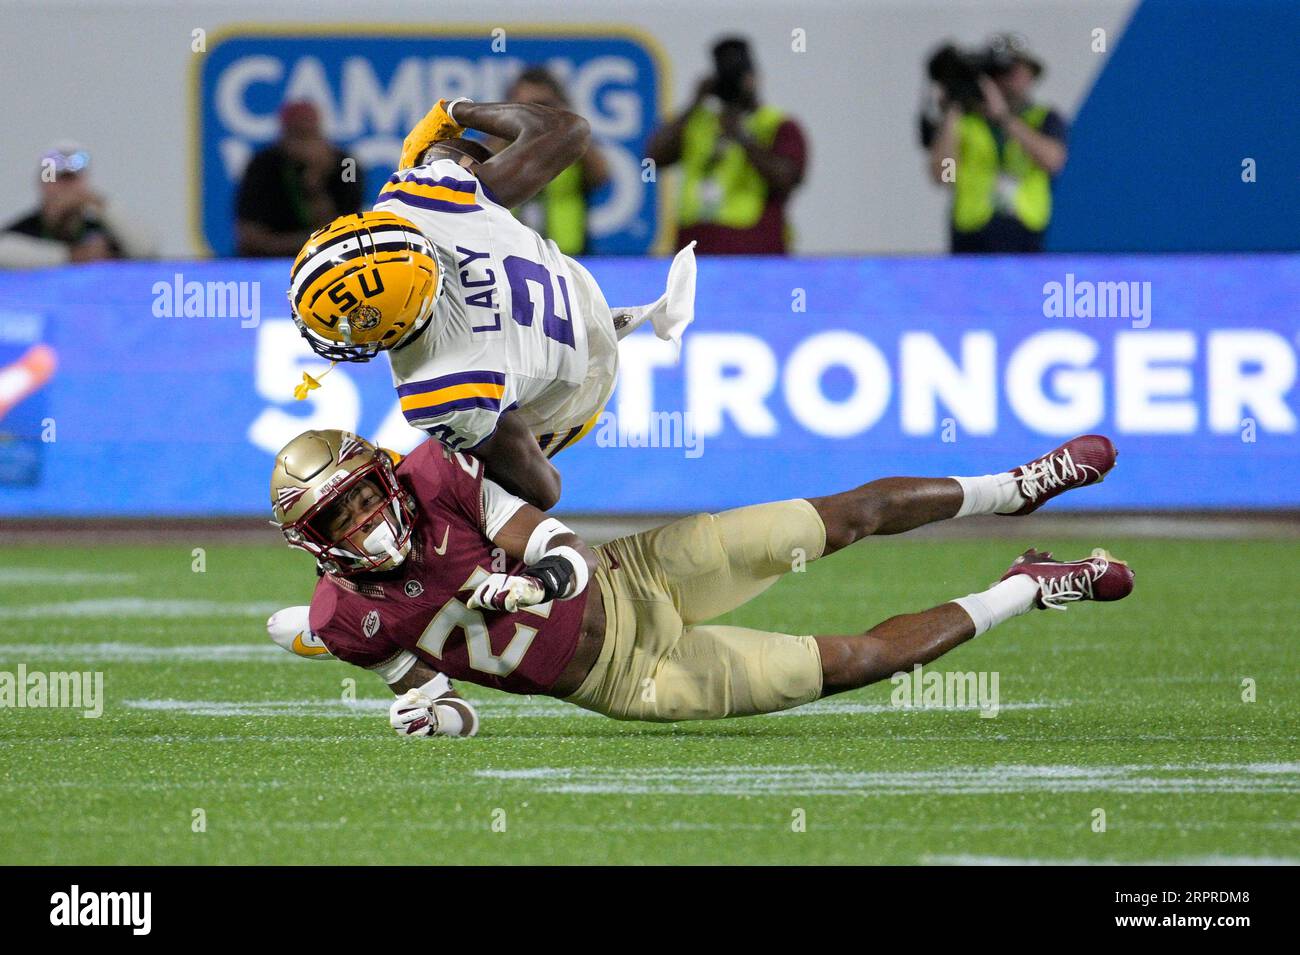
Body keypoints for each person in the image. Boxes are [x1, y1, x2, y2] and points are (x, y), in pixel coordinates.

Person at [266, 430, 1132, 737]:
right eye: (338, 521)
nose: (366, 524)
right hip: (628, 681)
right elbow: (423, 686)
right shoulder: (342, 617)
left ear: (382, 476)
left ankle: (1011, 490)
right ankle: (1030, 585)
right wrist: (428, 709)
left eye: (362, 500)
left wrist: (533, 582)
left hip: (637, 575)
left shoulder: (433, 473)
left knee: (838, 517)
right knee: (857, 660)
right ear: (316, 543)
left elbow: (551, 539)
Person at [287, 97, 696, 511]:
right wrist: (454, 111)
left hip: (576, 392)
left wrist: (418, 484)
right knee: (442, 157)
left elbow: (544, 489)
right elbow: (569, 131)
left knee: (438, 487)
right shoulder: (415, 201)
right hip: (571, 295)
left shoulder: (444, 388)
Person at [646, 37, 808, 255]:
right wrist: (693, 105)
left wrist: (742, 138)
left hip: (755, 251)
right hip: (696, 249)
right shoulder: (698, 121)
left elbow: (786, 179)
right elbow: (653, 158)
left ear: (754, 78)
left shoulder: (777, 124)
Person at [925, 34, 1069, 253]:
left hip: (1024, 235)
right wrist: (954, 108)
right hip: (971, 237)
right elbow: (944, 176)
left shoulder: (1043, 118)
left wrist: (1003, 118)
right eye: (1002, 72)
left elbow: (1053, 161)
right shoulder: (965, 123)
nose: (1012, 80)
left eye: (1017, 72)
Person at [490, 66, 611, 255]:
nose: (536, 112)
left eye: (543, 104)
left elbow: (601, 176)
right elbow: (480, 174)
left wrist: (567, 123)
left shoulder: (572, 142)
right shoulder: (501, 143)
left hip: (567, 252)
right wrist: (510, 123)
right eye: (526, 106)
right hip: (511, 252)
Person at [233, 101, 363, 257]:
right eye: (298, 136)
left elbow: (347, 232)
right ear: (284, 137)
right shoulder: (263, 166)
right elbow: (248, 237)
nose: (305, 146)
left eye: (310, 135)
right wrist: (308, 242)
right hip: (272, 261)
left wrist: (316, 184)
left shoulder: (347, 165)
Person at [0, 143, 155, 268]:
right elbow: (5, 252)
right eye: (59, 179)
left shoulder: (101, 229)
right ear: (43, 185)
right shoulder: (25, 229)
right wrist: (73, 256)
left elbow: (146, 250)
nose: (66, 188)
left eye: (72, 180)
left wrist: (103, 206)